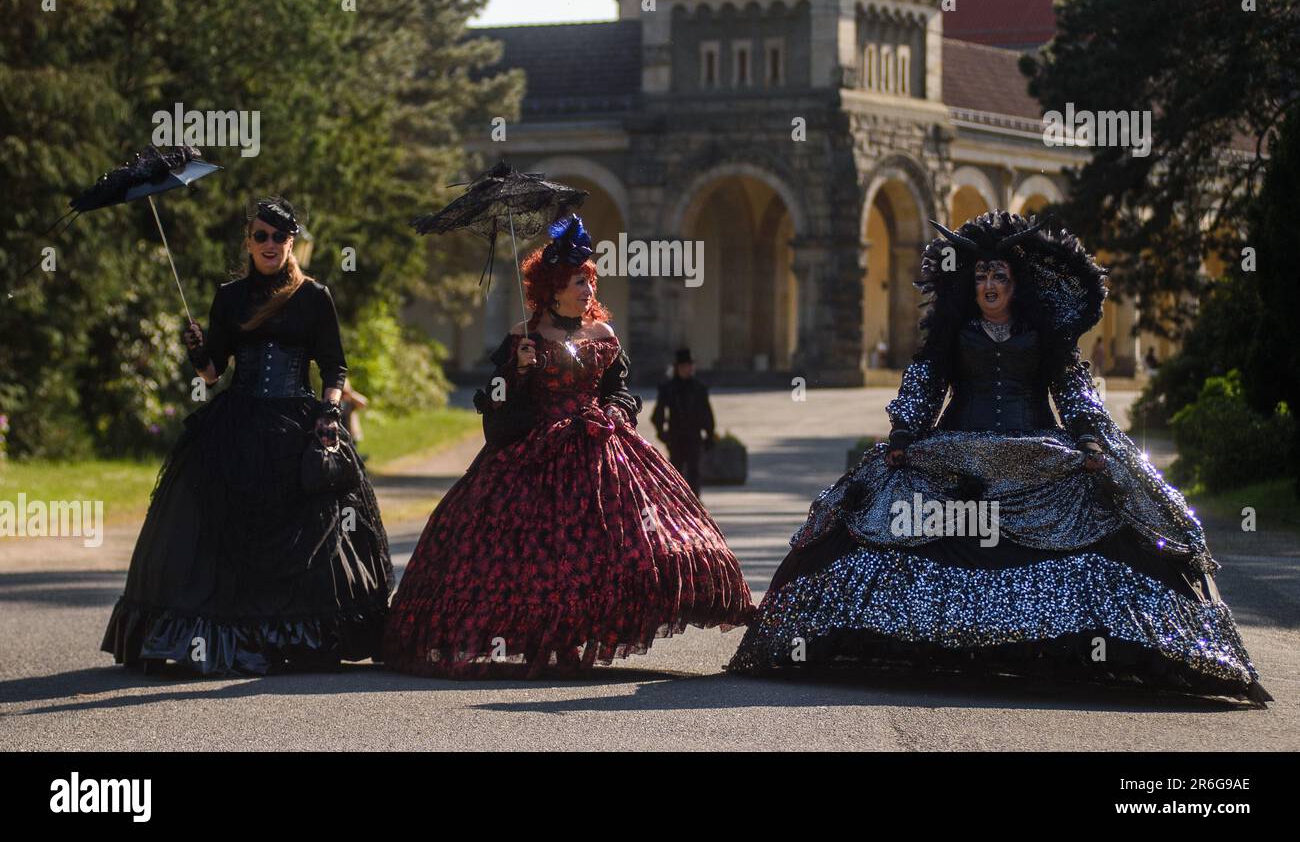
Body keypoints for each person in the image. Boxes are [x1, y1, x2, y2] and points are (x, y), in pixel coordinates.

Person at [728, 210, 1270, 706]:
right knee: (876, 518)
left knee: (1109, 515)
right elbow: (925, 385)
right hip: (956, 451)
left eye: (1000, 277)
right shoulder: (952, 334)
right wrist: (903, 435)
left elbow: (1074, 392)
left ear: (1016, 284)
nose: (989, 285)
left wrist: (1089, 440)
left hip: (1037, 454)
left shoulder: (1047, 338)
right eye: (982, 276)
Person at [382, 214, 753, 678]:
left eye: (590, 280)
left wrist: (615, 413)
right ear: (554, 286)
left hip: (601, 446)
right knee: (537, 556)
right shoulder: (523, 336)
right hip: (535, 453)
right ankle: (546, 638)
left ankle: (586, 631)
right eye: (579, 281)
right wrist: (517, 371)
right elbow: (498, 407)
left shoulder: (604, 336)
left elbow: (619, 391)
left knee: (630, 543)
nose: (588, 290)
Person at [101, 197, 394, 676]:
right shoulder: (230, 297)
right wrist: (197, 350)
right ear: (249, 241)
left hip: (298, 423)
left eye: (280, 237)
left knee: (311, 528)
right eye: (261, 236)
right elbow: (214, 374)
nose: (270, 245)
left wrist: (330, 410)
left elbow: (333, 364)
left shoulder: (314, 296)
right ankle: (225, 636)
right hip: (238, 424)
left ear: (291, 242)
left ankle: (303, 638)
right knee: (214, 525)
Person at [651, 347, 717, 497]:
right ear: (678, 368)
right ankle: (677, 502)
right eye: (684, 366)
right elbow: (658, 414)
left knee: (694, 472)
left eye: (690, 366)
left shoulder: (699, 388)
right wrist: (662, 433)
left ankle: (694, 503)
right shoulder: (668, 388)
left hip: (694, 436)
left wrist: (710, 434)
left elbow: (706, 413)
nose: (687, 369)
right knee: (676, 472)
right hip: (676, 436)